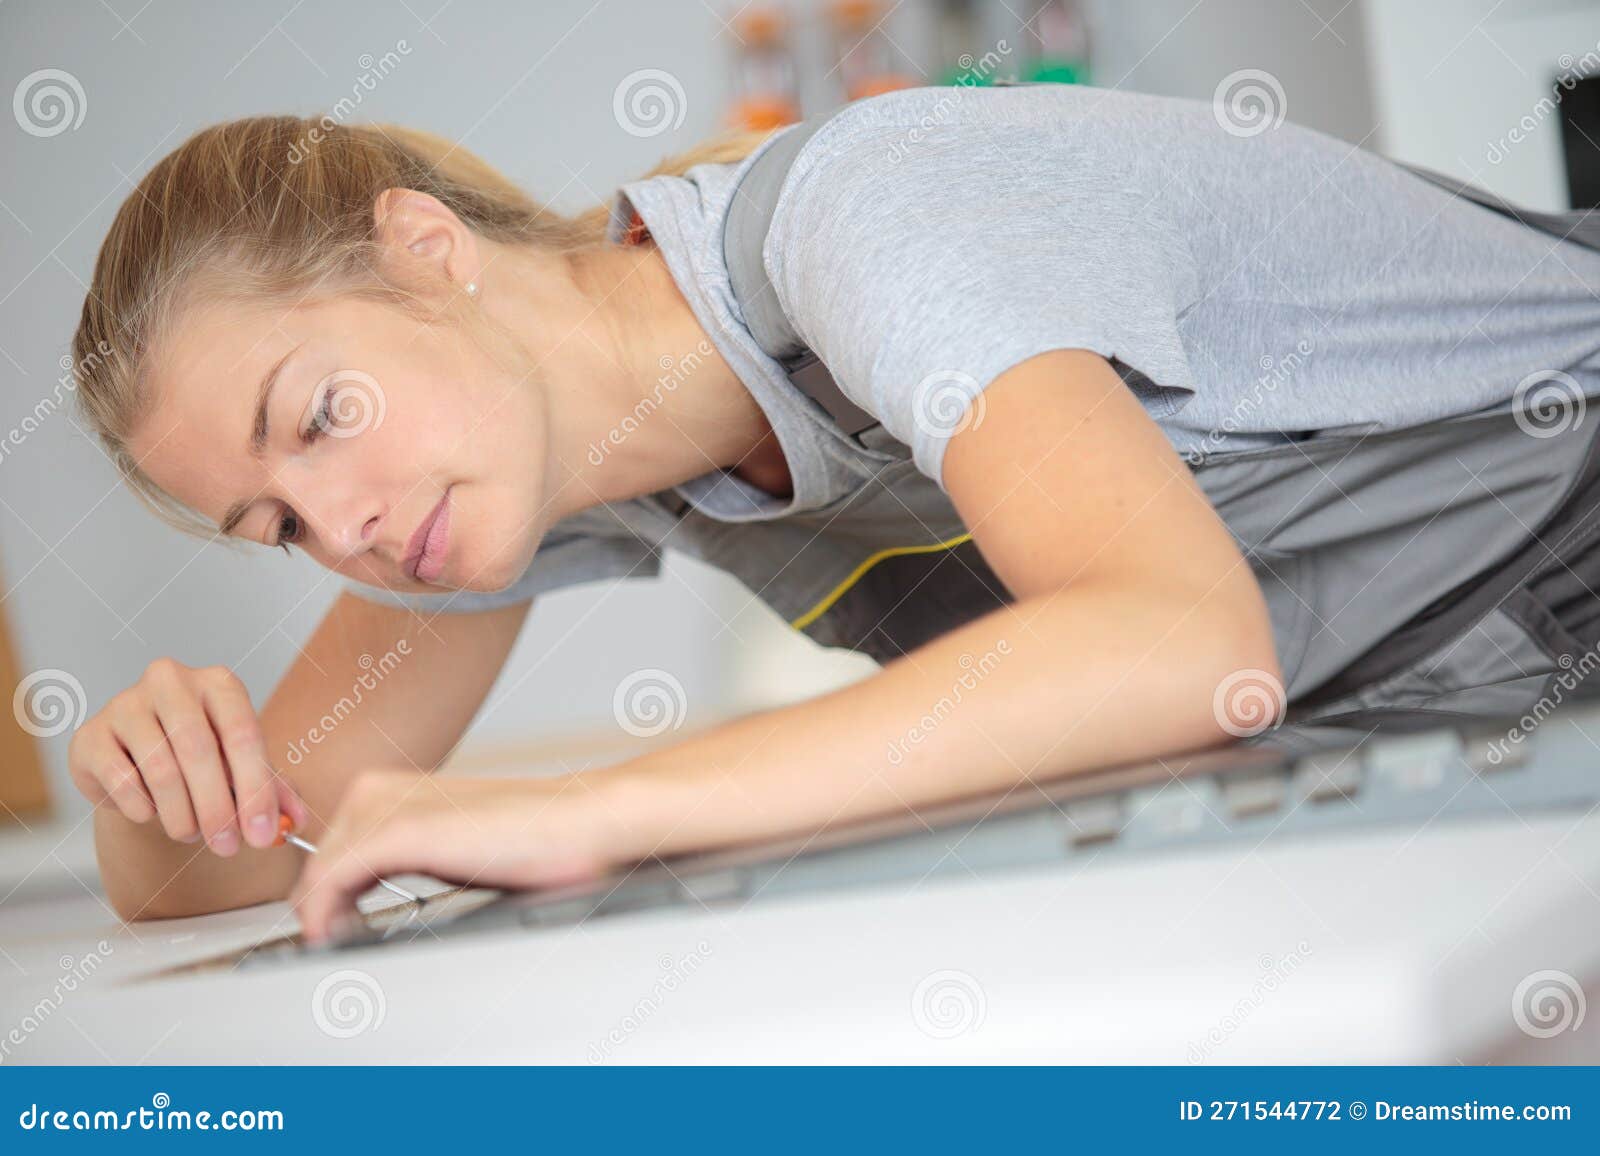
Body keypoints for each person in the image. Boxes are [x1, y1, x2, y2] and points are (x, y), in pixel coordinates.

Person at [65, 83, 1600, 941]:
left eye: (318, 418)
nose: (337, 525)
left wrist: (600, 806)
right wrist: (160, 791)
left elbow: (1186, 649)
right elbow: (263, 856)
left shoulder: (873, 214)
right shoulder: (542, 468)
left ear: (423, 249)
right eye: (271, 524)